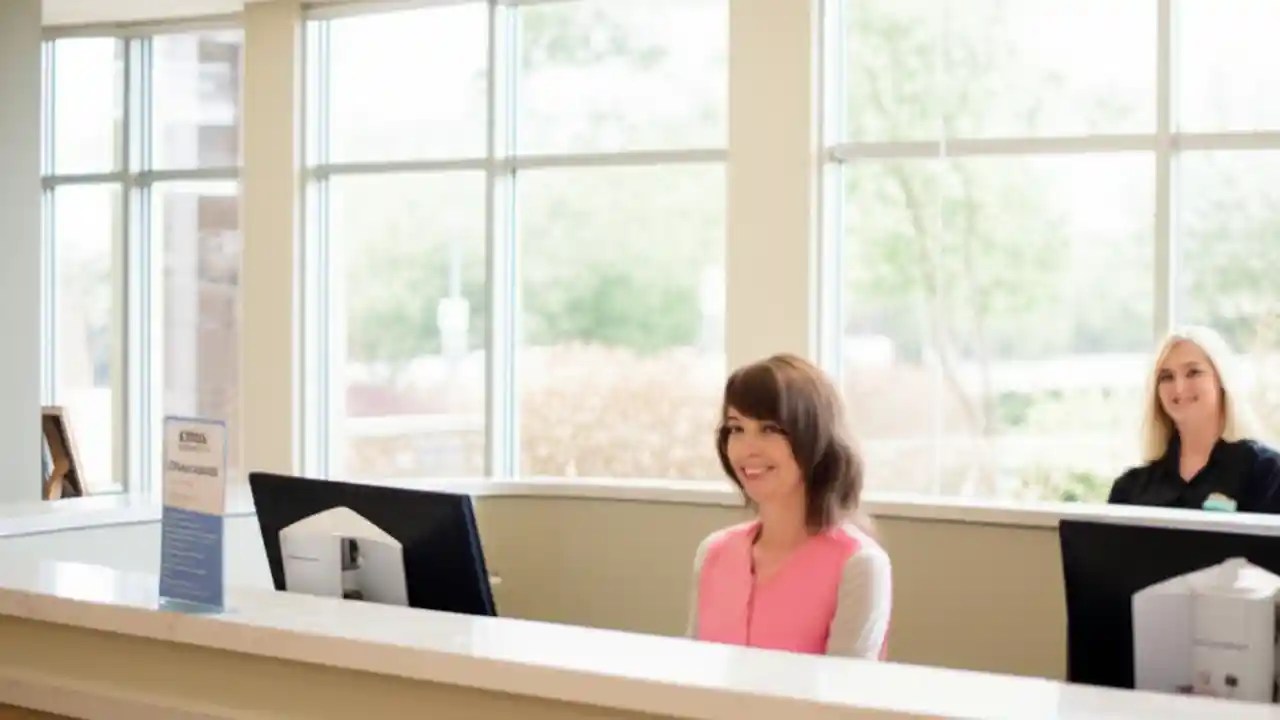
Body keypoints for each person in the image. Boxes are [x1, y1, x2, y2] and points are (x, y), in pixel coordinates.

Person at [686, 353, 891, 658]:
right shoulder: (713, 553)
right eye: (736, 429)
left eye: (770, 429)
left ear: (816, 437)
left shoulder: (859, 566)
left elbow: (843, 699)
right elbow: (692, 679)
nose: (747, 449)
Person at [1109, 325, 1280, 513]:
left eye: (1193, 373)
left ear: (1222, 381)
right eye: (1167, 377)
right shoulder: (1129, 490)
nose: (1179, 388)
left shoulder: (1267, 473)